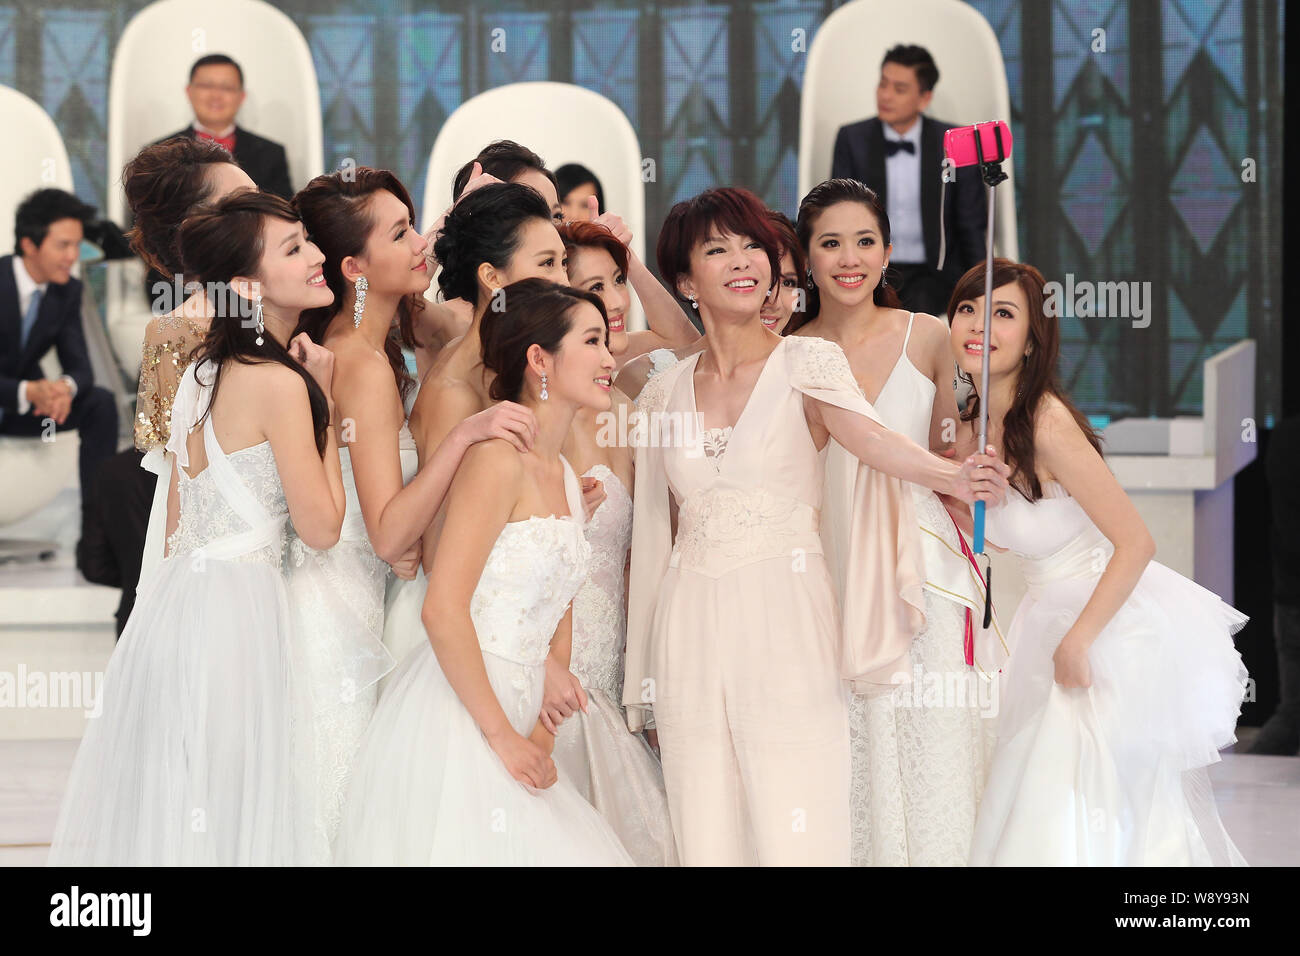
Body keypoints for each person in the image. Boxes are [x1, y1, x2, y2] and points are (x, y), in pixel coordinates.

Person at [625, 186, 1010, 865]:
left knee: (795, 809)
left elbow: (870, 439)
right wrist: (644, 678)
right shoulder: (665, 391)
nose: (743, 261)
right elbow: (659, 533)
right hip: (690, 622)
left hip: (788, 613)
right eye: (718, 249)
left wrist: (951, 476)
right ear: (686, 280)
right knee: (703, 814)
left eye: (753, 247)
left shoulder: (806, 362)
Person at [48, 190, 345, 865]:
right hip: (242, 611)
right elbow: (323, 527)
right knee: (243, 792)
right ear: (246, 285)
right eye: (295, 247)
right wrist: (328, 403)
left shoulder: (203, 372)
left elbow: (176, 522)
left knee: (195, 795)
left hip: (183, 604)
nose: (317, 255)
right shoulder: (282, 381)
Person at [942, 259, 1248, 866]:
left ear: (1032, 340)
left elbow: (1136, 542)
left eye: (1002, 313)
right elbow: (1005, 538)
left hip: (1102, 626)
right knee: (1033, 790)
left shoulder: (1048, 422)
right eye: (968, 309)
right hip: (1041, 620)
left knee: (1083, 800)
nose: (979, 324)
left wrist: (1079, 641)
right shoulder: (972, 425)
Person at [334, 280, 632, 866]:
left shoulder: (568, 475)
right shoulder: (496, 461)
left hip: (529, 707)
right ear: (540, 359)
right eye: (593, 341)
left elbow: (561, 611)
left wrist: (543, 734)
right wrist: (500, 736)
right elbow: (442, 608)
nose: (609, 358)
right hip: (465, 704)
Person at [291, 167, 540, 857]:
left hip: (359, 599)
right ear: (354, 267)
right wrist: (462, 440)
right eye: (399, 233)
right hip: (347, 613)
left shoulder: (371, 348)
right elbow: (388, 531)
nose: (419, 244)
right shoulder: (362, 366)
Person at [789, 178, 1000, 866]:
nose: (849, 258)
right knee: (844, 745)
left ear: (885, 253)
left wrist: (976, 418)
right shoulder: (788, 349)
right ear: (807, 258)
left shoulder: (932, 335)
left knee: (929, 740)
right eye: (830, 244)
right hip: (824, 566)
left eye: (865, 241)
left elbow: (956, 448)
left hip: (925, 569)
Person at [123, 136, 257, 587]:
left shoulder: (296, 301)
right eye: (244, 205)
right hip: (225, 551)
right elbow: (181, 475)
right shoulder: (175, 332)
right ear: (195, 228)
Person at [830, 45, 985, 316]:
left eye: (899, 89)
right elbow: (840, 213)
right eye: (883, 84)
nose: (885, 95)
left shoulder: (956, 143)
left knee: (919, 320)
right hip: (873, 268)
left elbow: (971, 224)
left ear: (924, 98)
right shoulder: (853, 139)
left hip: (935, 273)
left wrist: (982, 288)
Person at [1, 189, 118, 516]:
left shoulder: (66, 290)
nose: (72, 256)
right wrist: (29, 390)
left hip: (24, 409)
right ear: (29, 245)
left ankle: (96, 538)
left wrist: (62, 389)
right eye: (62, 245)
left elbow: (80, 366)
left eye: (76, 245)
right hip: (14, 395)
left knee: (100, 404)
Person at [615, 208, 801, 402]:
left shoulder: (812, 369)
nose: (772, 299)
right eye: (718, 251)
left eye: (788, 282)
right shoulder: (653, 376)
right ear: (687, 283)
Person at [157, 53, 292, 200]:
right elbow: (144, 218)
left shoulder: (271, 154)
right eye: (206, 85)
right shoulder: (160, 152)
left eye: (227, 87)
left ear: (241, 97)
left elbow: (283, 215)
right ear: (189, 92)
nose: (216, 95)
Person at [1254, 416, 1300, 754]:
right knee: (1292, 715)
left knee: (1292, 713)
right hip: (1291, 593)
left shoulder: (1285, 434)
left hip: (1289, 590)